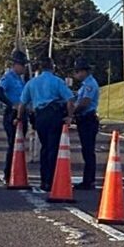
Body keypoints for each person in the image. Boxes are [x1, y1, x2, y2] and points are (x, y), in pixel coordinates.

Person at [18, 57, 74, 191]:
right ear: (52, 67)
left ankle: (44, 180)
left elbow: (22, 103)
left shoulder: (32, 83)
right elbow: (70, 100)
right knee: (53, 147)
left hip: (40, 117)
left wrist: (19, 118)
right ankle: (52, 179)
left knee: (44, 147)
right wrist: (70, 116)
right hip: (54, 115)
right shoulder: (57, 81)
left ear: (40, 68)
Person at [0, 50, 28, 183]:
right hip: (12, 114)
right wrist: (11, 105)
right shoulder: (8, 77)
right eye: (23, 65)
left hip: (22, 113)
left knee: (19, 144)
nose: (24, 68)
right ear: (16, 64)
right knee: (13, 143)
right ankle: (8, 173)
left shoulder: (20, 79)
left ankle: (17, 171)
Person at [72, 58, 100, 190]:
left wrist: (72, 112)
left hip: (87, 119)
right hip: (84, 119)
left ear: (84, 71)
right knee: (86, 150)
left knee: (88, 151)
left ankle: (89, 180)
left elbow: (85, 102)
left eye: (77, 71)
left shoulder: (90, 84)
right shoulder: (85, 84)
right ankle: (88, 179)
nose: (76, 74)